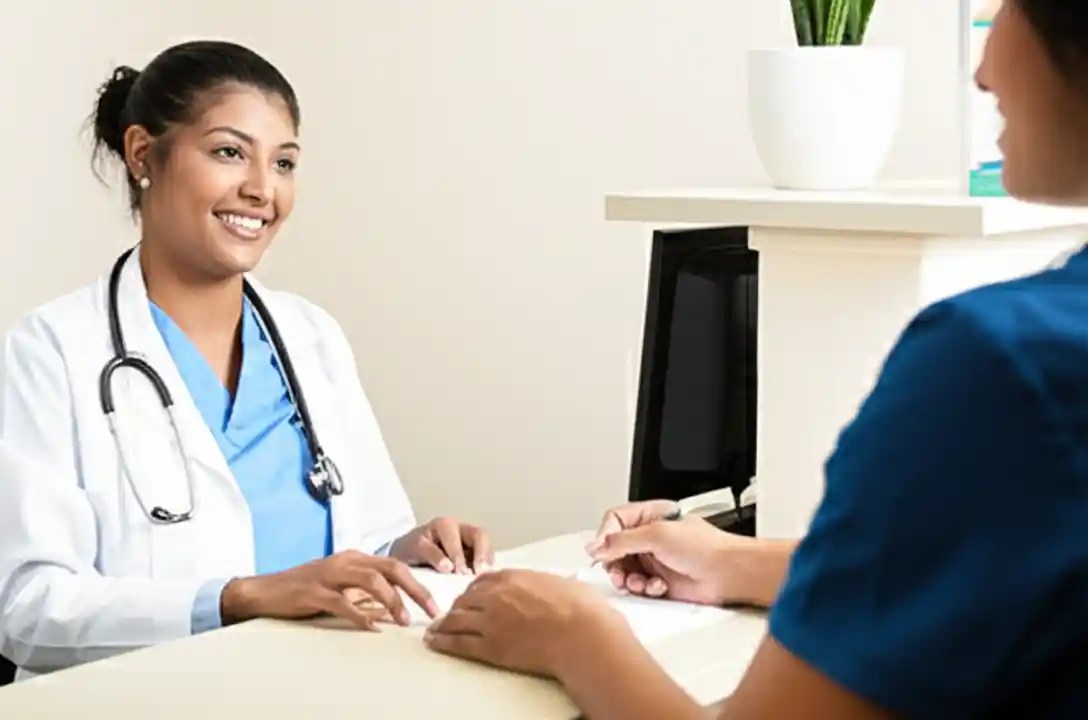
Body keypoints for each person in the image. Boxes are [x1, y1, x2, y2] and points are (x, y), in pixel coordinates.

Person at [425, 1, 1088, 717]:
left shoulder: (1001, 364)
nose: (983, 70)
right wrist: (733, 562)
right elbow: (987, 565)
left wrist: (574, 634)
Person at [0, 40, 491, 679]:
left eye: (285, 163)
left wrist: (407, 551)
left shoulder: (311, 337)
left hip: (319, 683)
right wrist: (238, 598)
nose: (261, 189)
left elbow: (366, 538)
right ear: (142, 155)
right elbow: (27, 610)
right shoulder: (47, 354)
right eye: (229, 153)